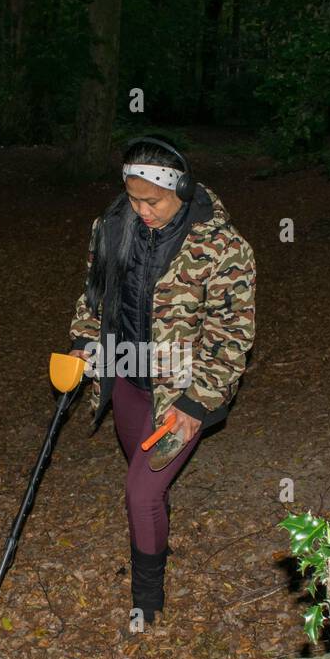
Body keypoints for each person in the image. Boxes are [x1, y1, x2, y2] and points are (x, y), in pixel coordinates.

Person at [65, 136, 256, 631]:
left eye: (153, 201)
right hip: (128, 380)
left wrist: (196, 404)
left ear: (182, 190)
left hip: (183, 390)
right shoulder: (111, 227)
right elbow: (94, 299)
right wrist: (83, 344)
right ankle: (157, 537)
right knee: (148, 485)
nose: (142, 211)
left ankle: (146, 601)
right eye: (134, 199)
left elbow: (231, 336)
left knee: (141, 492)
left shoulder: (222, 248)